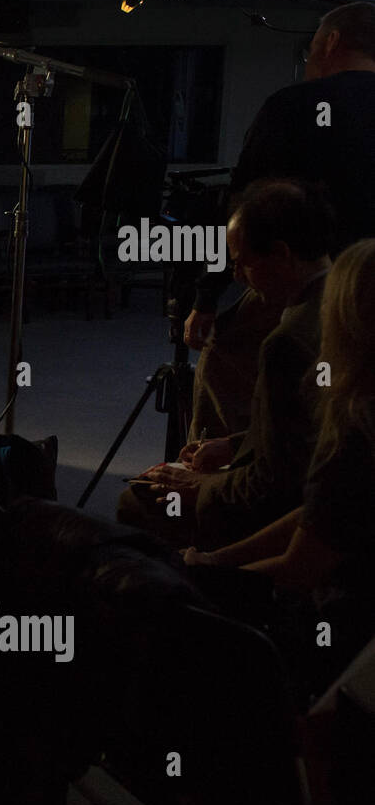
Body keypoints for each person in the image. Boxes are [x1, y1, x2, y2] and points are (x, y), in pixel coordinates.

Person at [183, 238, 375, 693]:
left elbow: (300, 568)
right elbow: (319, 514)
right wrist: (214, 562)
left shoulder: (357, 430)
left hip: (349, 636)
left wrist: (199, 583)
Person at [184, 2, 375, 440]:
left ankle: (206, 476)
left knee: (227, 359)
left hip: (309, 282)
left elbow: (245, 208)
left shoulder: (291, 107)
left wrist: (207, 297)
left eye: (311, 49)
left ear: (330, 42)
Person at [120, 179, 332, 550]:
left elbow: (274, 485)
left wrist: (202, 487)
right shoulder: (346, 298)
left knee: (137, 499)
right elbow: (309, 434)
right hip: (316, 491)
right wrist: (236, 446)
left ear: (281, 254)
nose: (236, 277)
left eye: (243, 264)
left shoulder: (288, 341)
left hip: (293, 508)